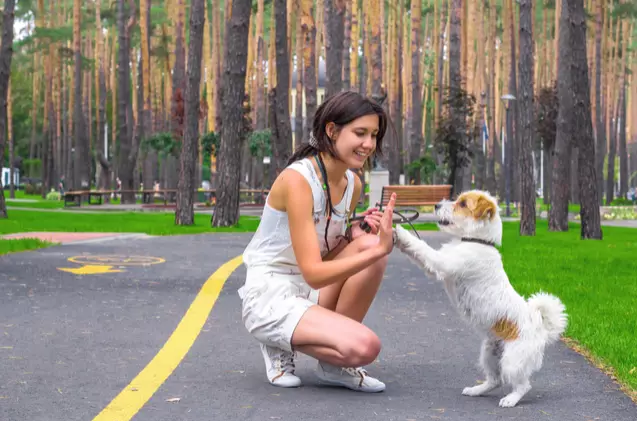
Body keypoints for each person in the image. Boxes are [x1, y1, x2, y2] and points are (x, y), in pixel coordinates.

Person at [238, 91, 397, 393]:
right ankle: (276, 338)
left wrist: (356, 236)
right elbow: (313, 271)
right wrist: (379, 248)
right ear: (332, 130)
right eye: (360, 133)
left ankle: (335, 365)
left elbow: (328, 256)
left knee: (367, 248)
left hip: (308, 291)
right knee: (366, 346)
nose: (368, 144)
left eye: (374, 135)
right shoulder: (297, 180)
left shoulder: (353, 184)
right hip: (271, 293)